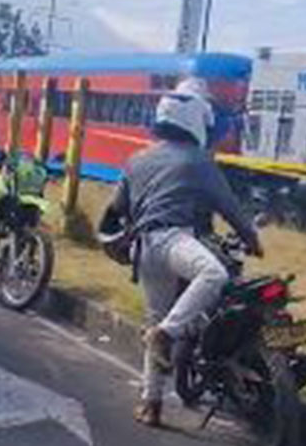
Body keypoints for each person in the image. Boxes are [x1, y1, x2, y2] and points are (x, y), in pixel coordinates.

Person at [101, 86, 262, 427]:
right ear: (196, 121)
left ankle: (150, 404)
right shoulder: (199, 160)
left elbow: (117, 208)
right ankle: (168, 334)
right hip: (175, 239)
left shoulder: (137, 160)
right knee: (213, 275)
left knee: (155, 316)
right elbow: (229, 207)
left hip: (143, 248)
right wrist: (252, 240)